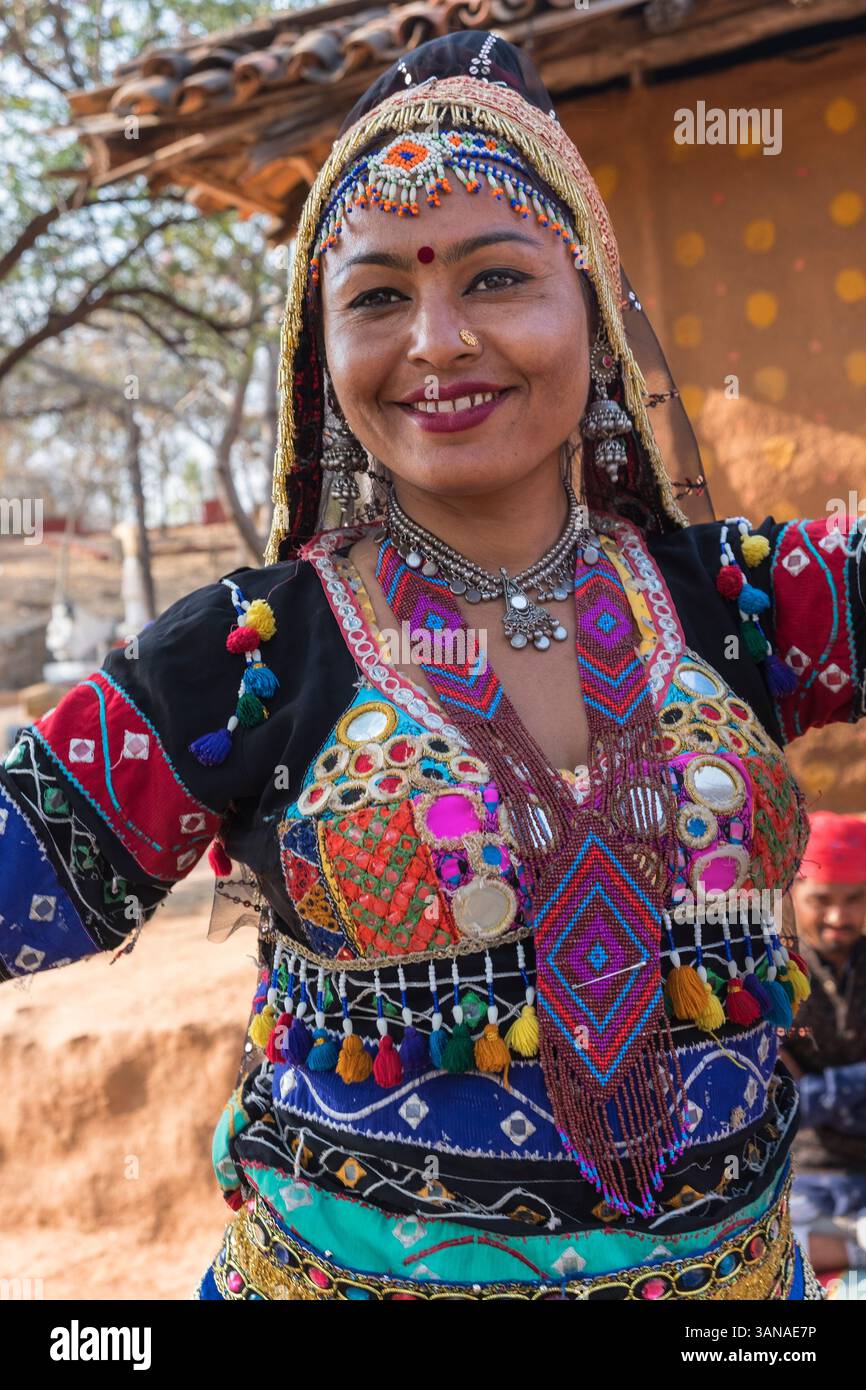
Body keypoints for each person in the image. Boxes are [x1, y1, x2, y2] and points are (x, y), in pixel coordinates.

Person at [4, 31, 860, 1301]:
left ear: (591, 300)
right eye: (378, 297)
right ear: (320, 343)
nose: (438, 340)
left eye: (496, 277)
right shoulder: (245, 657)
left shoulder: (738, 603)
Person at [783, 812, 866, 1277]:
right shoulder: (772, 983)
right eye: (822, 900)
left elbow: (808, 1095)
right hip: (807, 1182)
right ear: (794, 892)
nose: (839, 916)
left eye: (854, 899)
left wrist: (823, 1090)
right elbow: (787, 1103)